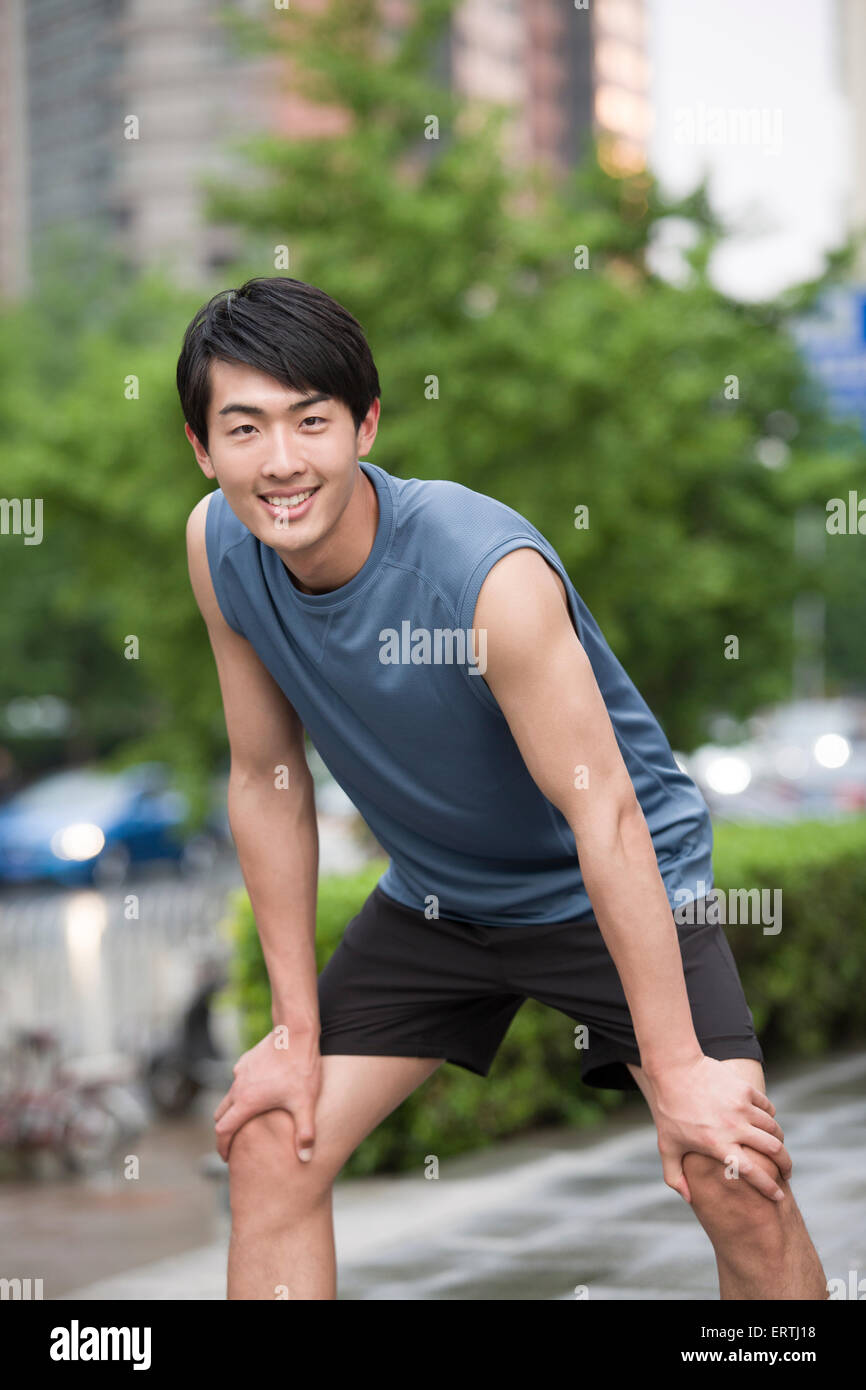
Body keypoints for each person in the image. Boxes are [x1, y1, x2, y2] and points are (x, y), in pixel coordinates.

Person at [178, 275, 826, 1301]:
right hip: (437, 898)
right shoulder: (218, 547)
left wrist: (680, 1076)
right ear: (202, 449)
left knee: (731, 1170)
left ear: (366, 424)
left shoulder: (479, 572)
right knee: (271, 1139)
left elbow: (601, 810)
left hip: (602, 878)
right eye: (245, 429)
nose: (282, 461)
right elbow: (265, 775)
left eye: (312, 421)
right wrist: (295, 1034)